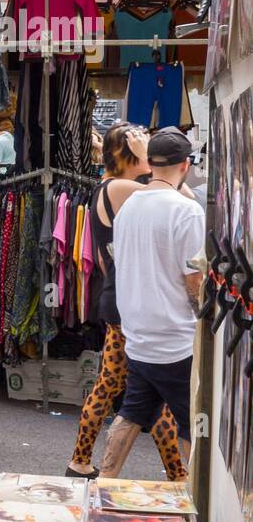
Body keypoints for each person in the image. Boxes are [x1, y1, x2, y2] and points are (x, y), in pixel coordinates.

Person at [67, 123, 187, 480]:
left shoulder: (110, 187)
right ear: (128, 154)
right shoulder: (120, 188)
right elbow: (178, 195)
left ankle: (82, 461)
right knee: (121, 387)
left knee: (127, 387)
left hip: (122, 298)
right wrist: (152, 158)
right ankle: (174, 473)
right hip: (128, 304)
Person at [100, 128, 205, 479]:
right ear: (185, 165)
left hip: (138, 333)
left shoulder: (129, 206)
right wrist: (204, 318)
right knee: (191, 422)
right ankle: (197, 495)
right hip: (176, 338)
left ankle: (104, 480)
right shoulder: (187, 211)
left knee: (132, 412)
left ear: (151, 163)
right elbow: (194, 279)